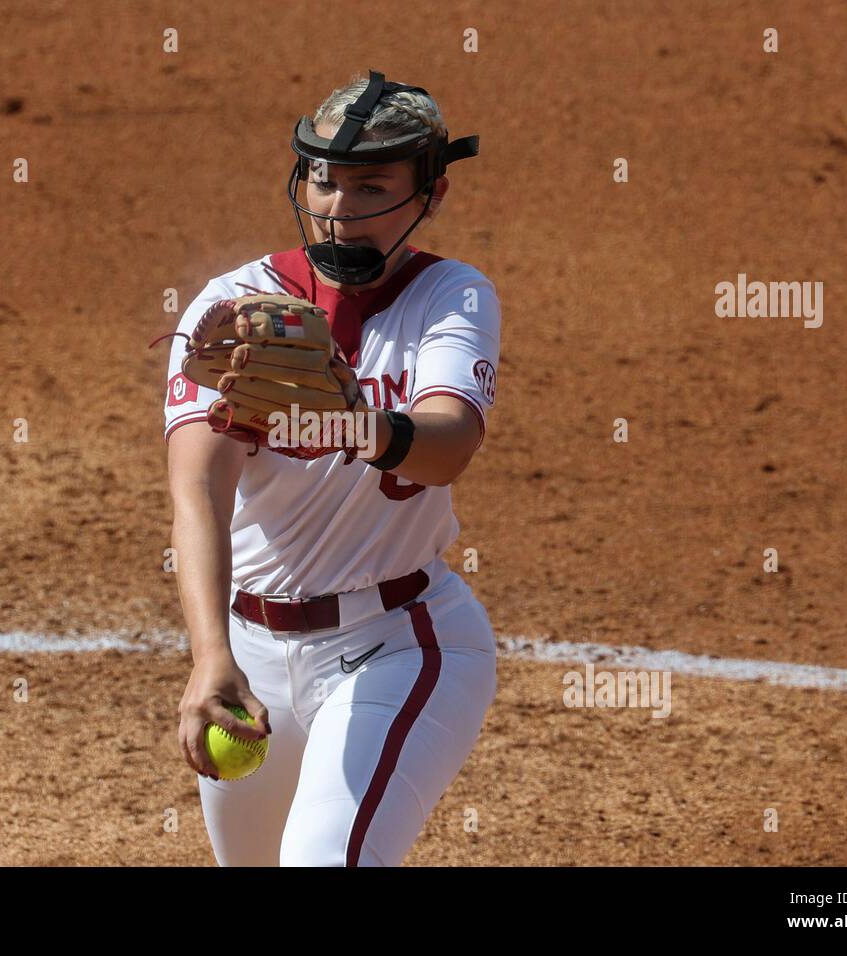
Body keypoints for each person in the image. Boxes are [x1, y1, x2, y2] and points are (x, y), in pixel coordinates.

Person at [162, 70, 501, 866]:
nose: (340, 208)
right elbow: (199, 490)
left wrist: (351, 423)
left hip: (400, 642)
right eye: (325, 182)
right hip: (252, 651)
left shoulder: (450, 297)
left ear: (431, 195)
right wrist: (212, 655)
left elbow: (449, 445)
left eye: (372, 186)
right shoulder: (233, 307)